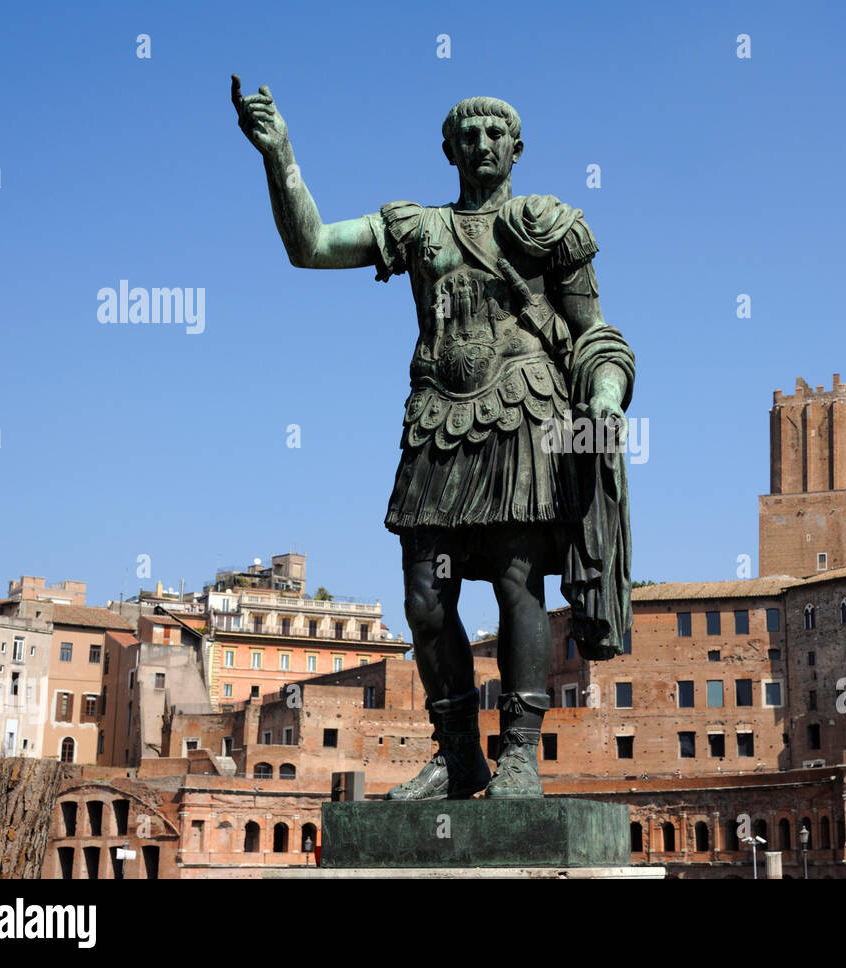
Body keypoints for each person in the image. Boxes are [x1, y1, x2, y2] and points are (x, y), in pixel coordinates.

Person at [232, 80, 634, 800]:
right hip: (439, 424)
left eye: (494, 134)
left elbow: (593, 331)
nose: (481, 145)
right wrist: (280, 154)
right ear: (449, 150)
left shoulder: (547, 225)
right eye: (467, 136)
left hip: (523, 413)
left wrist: (604, 394)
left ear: (516, 148)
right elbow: (312, 246)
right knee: (426, 595)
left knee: (518, 583)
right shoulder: (419, 228)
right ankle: (456, 755)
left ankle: (518, 755)